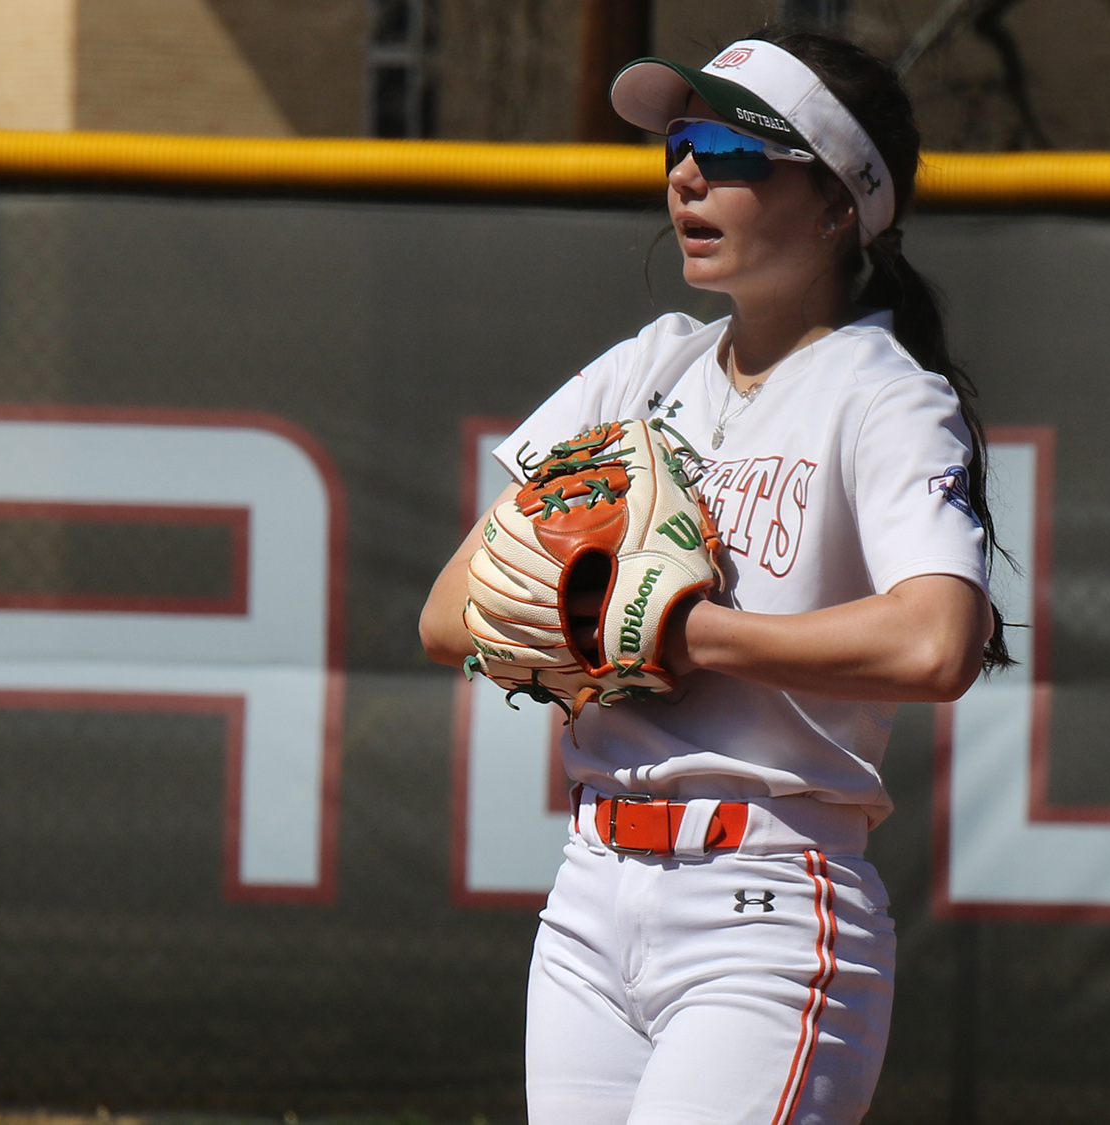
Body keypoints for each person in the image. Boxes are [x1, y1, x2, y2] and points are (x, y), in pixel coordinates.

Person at [419, 28, 1009, 1125]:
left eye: (735, 151)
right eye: (680, 142)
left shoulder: (883, 394)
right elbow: (451, 611)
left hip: (771, 905)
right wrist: (588, 628)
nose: (686, 172)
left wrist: (687, 636)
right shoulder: (648, 370)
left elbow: (936, 643)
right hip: (591, 894)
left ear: (839, 201)